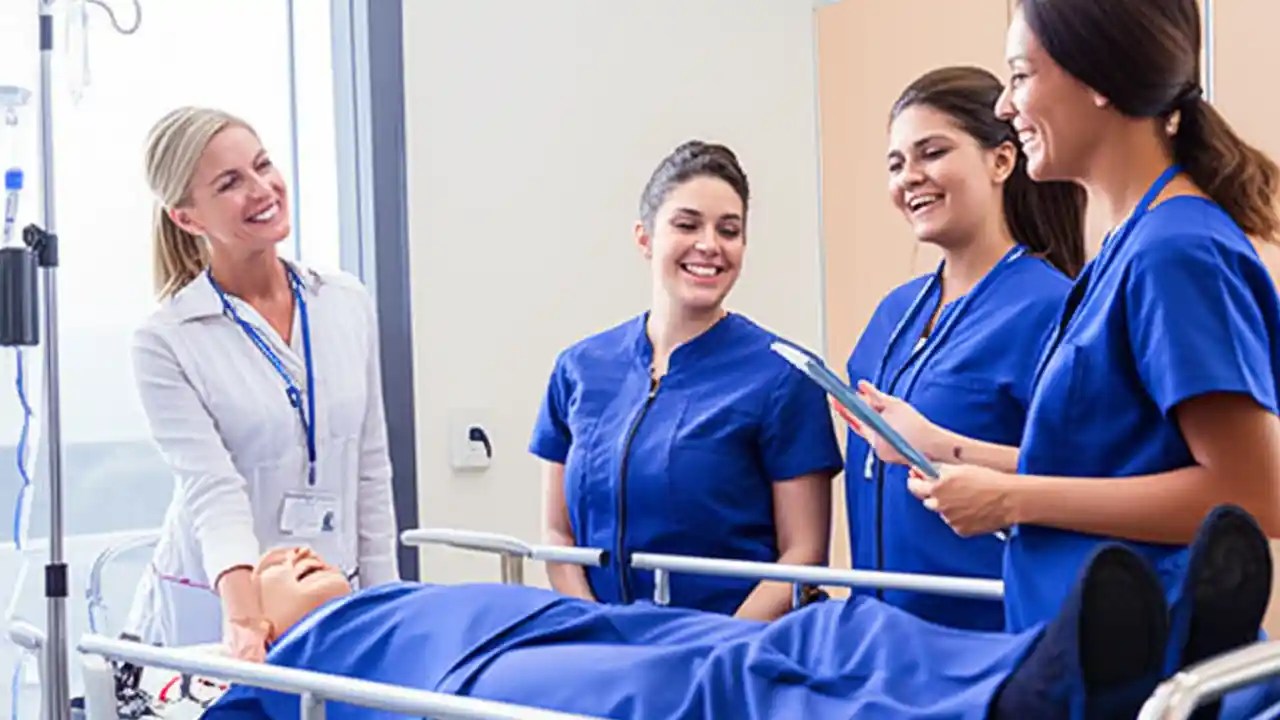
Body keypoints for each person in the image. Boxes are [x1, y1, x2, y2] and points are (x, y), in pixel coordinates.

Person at [845, 1, 1280, 714]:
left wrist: (1012, 500)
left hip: (1149, 669)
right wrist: (947, 452)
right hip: (1082, 656)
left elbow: (1251, 495)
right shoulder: (1123, 250)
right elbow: (1116, 466)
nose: (1006, 104)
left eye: (1020, 76)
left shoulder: (1177, 252)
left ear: (1099, 79)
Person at [204, 505, 1272, 720]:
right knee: (718, 688)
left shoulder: (402, 587)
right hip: (464, 687)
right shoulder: (297, 677)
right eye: (276, 565)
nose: (291, 551)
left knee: (817, 631)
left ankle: (1104, 668)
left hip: (548, 623)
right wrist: (237, 651)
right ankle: (1015, 704)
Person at [125, 106, 399, 661]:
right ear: (187, 219)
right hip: (220, 604)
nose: (261, 189)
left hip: (330, 590)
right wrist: (244, 621)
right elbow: (212, 488)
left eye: (261, 165)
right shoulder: (168, 340)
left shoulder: (344, 302)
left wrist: (388, 602)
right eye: (229, 183)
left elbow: (370, 467)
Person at [528, 141, 843, 620]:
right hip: (598, 653)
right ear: (644, 238)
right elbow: (558, 535)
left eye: (729, 230)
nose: (709, 245)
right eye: (687, 224)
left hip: (724, 658)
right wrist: (593, 630)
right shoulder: (579, 369)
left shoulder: (783, 377)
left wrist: (710, 652)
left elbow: (802, 556)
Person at [841, 66, 1085, 631]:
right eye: (896, 163)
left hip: (994, 636)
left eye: (932, 152)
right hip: (881, 634)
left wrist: (939, 447)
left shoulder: (1054, 308)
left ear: (1002, 160)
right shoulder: (892, 314)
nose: (911, 177)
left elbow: (1090, 481)